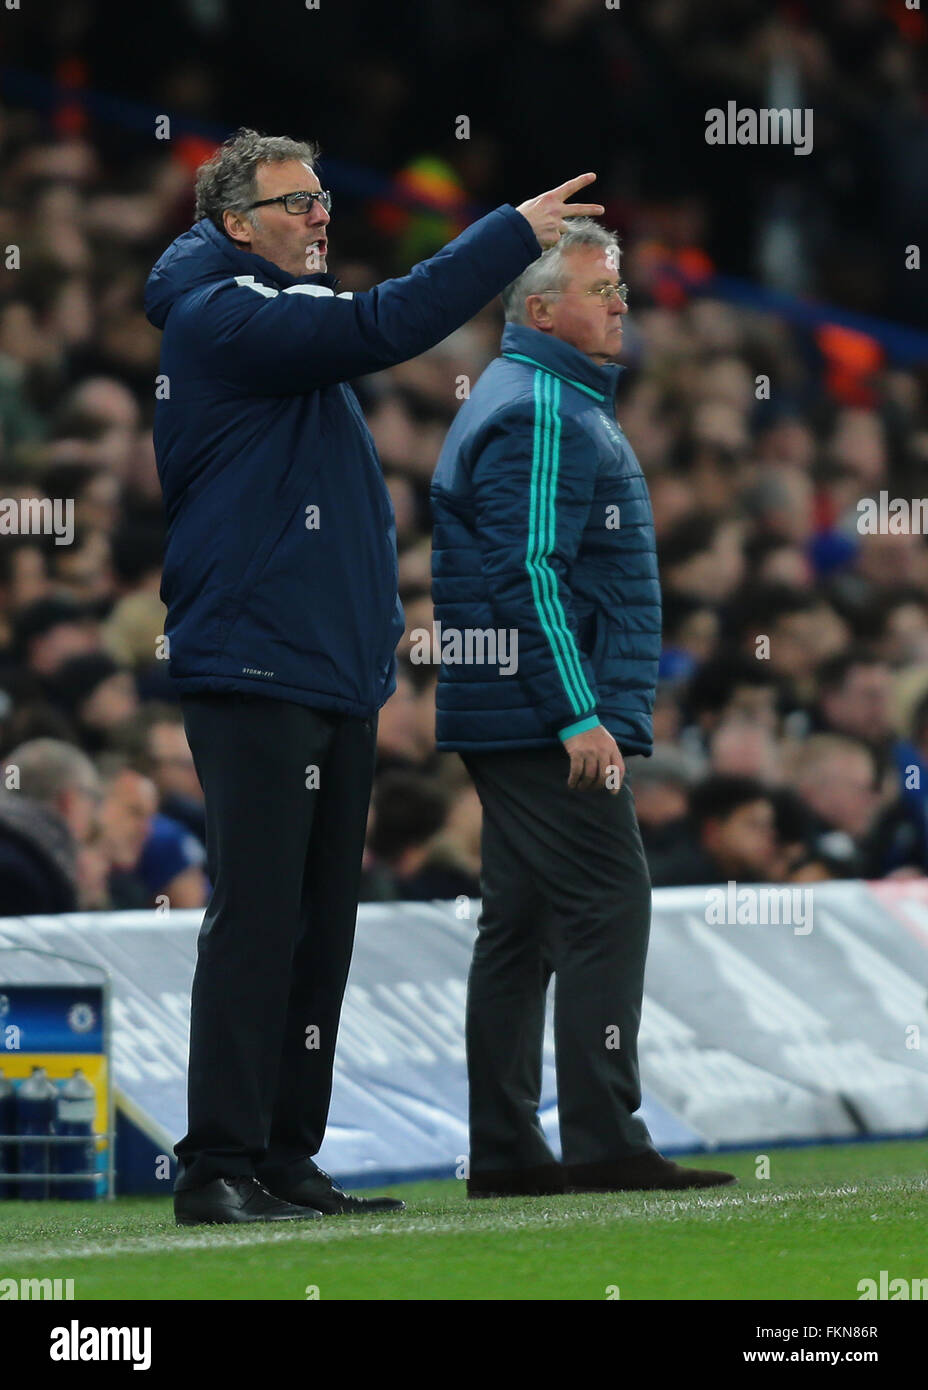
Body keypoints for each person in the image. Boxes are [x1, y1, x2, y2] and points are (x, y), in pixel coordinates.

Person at [144, 125, 602, 1226]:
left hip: (325, 672)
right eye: (295, 203)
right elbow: (381, 323)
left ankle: (285, 1158)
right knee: (259, 920)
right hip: (255, 664)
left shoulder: (271, 321)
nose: (319, 217)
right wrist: (508, 234)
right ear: (233, 224)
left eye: (320, 200)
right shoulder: (228, 313)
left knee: (317, 926)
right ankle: (216, 1164)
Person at [431, 220, 735, 1196]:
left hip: (508, 700)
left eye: (623, 293)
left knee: (520, 922)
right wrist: (575, 709)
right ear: (538, 310)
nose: (620, 306)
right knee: (607, 900)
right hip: (538, 707)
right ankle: (603, 1138)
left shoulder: (535, 398)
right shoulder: (542, 409)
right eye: (602, 290)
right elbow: (529, 570)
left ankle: (510, 1151)